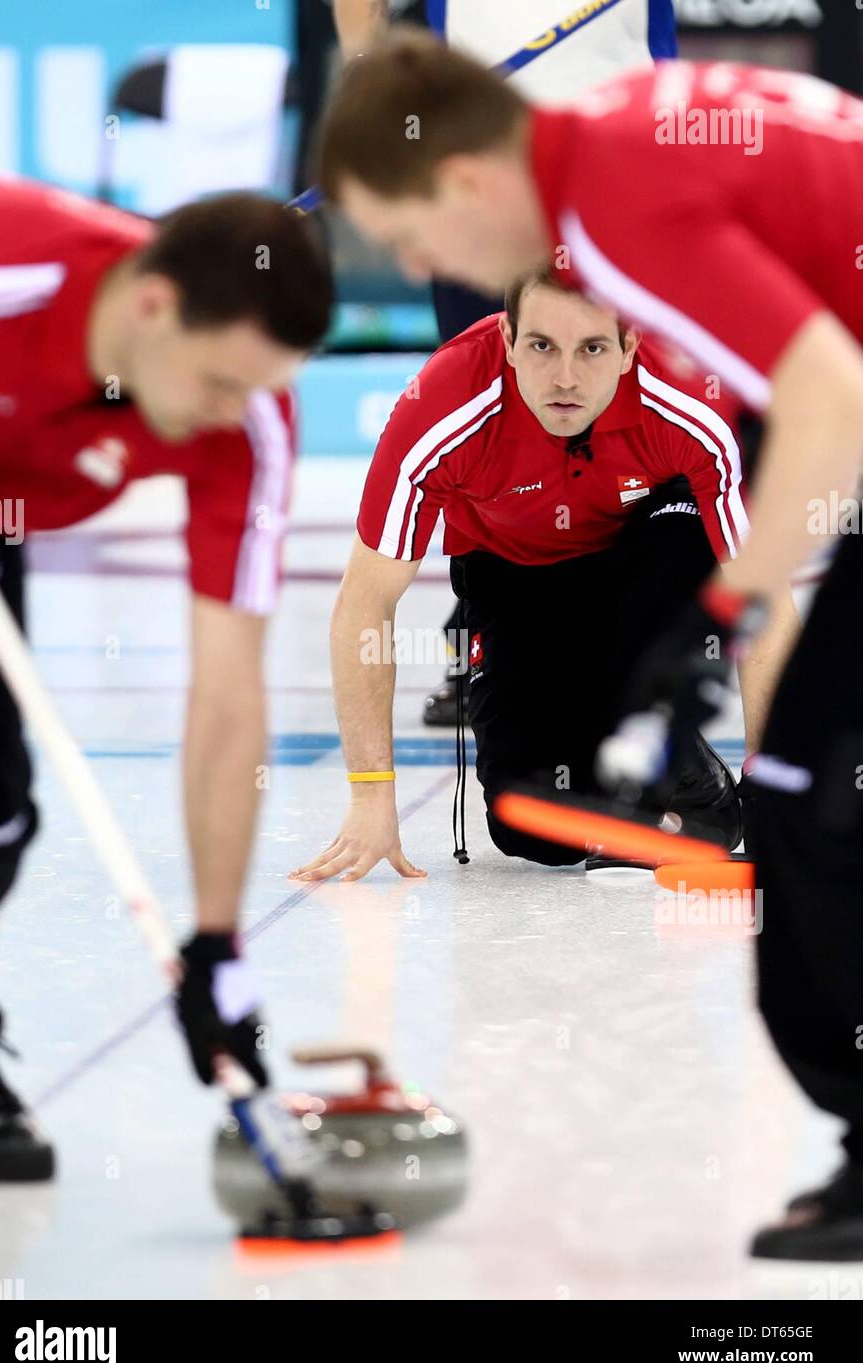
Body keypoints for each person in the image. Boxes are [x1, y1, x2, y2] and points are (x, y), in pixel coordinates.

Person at [316, 30, 863, 1257]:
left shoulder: (613, 216)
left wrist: (727, 615)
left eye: (406, 235)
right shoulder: (616, 143)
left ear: (459, 180)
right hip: (547, 573)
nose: (414, 265)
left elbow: (827, 399)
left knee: (814, 819)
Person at [0, 178, 333, 1181]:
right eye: (218, 384)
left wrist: (218, 941)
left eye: (255, 391)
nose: (233, 413)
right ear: (152, 306)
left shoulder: (245, 420)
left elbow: (226, 695)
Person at [289, 273, 798, 883]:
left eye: (591, 349)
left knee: (671, 574)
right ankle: (662, 771)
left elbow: (761, 597)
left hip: (652, 541)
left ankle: (664, 744)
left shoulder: (691, 402)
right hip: (515, 568)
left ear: (631, 345)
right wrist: (371, 795)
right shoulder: (442, 408)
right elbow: (366, 604)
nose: (564, 377)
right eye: (541, 346)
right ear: (505, 339)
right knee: (531, 828)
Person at [333, 0, 679, 729]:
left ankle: (652, 652)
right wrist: (370, 92)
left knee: (628, 391)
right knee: (494, 396)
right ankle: (488, 640)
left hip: (620, 138)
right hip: (472, 148)